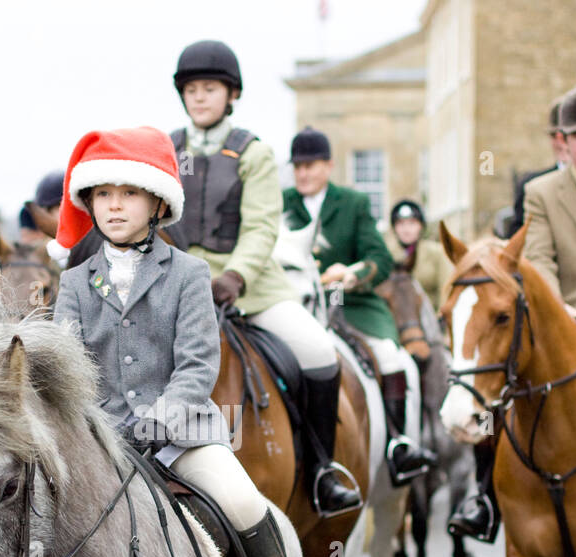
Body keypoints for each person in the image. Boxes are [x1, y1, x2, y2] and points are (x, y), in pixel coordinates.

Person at [52, 125, 313, 557]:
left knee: (243, 501)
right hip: (100, 440)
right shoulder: (74, 283)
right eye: (102, 194)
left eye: (127, 193)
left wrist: (158, 422)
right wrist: (97, 428)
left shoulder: (191, 274)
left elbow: (198, 364)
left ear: (157, 202)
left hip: (183, 434)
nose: (114, 206)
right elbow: (66, 371)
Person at [165, 41, 360, 515]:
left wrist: (235, 275)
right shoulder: (168, 150)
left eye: (209, 88)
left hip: (250, 286)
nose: (199, 97)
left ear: (231, 94)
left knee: (318, 352)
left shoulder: (252, 152)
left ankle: (321, 470)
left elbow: (260, 227)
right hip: (179, 283)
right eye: (191, 89)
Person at [448, 83, 576, 543]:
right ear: (564, 139)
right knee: (498, 394)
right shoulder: (540, 192)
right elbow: (536, 258)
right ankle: (484, 498)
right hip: (555, 323)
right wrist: (562, 310)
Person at [282, 127, 436, 486]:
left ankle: (399, 442)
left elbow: (379, 257)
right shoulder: (282, 202)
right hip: (297, 302)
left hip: (352, 304)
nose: (303, 173)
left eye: (311, 165)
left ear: (329, 166)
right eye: (298, 166)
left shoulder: (352, 203)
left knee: (390, 357)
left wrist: (350, 273)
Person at [510, 97, 569, 233]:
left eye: (567, 136)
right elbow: (515, 239)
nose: (561, 143)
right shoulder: (530, 185)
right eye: (555, 136)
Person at [386, 198, 452, 311]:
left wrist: (441, 319)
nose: (406, 229)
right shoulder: (387, 254)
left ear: (421, 226)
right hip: (397, 319)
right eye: (401, 224)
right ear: (394, 228)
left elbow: (445, 289)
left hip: (431, 318)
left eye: (412, 223)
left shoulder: (436, 252)